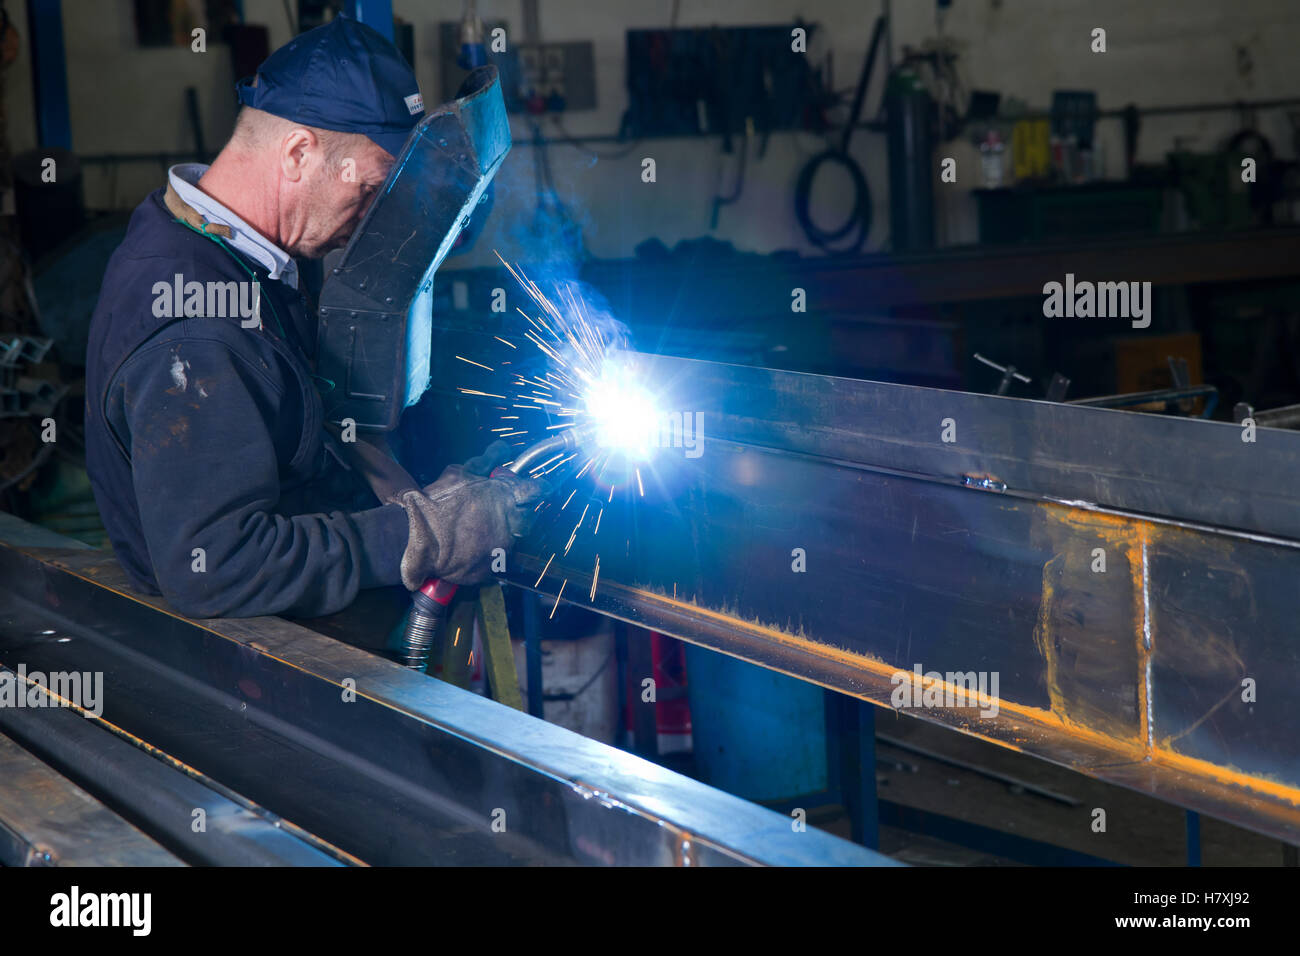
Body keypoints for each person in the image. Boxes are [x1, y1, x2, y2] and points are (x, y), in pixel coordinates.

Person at [84, 15, 539, 619]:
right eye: (369, 190)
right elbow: (218, 567)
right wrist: (421, 536)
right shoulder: (194, 329)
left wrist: (420, 494)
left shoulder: (237, 252)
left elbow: (299, 420)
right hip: (255, 682)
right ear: (298, 152)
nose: (370, 218)